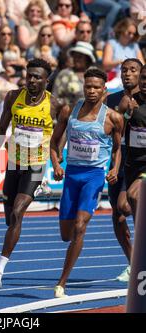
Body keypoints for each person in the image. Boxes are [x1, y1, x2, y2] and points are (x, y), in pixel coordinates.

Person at [50, 67, 123, 298]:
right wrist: (57, 163)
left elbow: (119, 149)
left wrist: (114, 169)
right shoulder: (69, 111)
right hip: (71, 176)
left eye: (96, 87)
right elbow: (54, 143)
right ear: (83, 86)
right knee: (66, 234)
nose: (91, 91)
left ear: (104, 90)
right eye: (88, 86)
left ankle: (62, 282)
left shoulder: (113, 117)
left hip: (93, 176)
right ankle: (74, 245)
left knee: (81, 226)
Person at [0, 58, 57, 289]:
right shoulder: (12, 97)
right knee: (10, 217)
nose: (33, 80)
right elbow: (1, 129)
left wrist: (56, 162)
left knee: (18, 212)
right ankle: (13, 229)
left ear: (46, 81)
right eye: (30, 76)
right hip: (14, 164)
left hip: (36, 165)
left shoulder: (54, 104)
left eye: (38, 77)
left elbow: (59, 136)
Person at [106, 58, 142, 282]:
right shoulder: (112, 99)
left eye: (133, 70)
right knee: (118, 217)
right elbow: (107, 129)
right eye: (124, 70)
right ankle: (133, 265)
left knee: (126, 206)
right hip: (117, 160)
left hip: (139, 162)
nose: (127, 74)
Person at [119, 65, 146, 237]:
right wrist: (127, 114)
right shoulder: (129, 101)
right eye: (143, 78)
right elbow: (117, 133)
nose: (145, 82)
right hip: (132, 165)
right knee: (124, 207)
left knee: (134, 196)